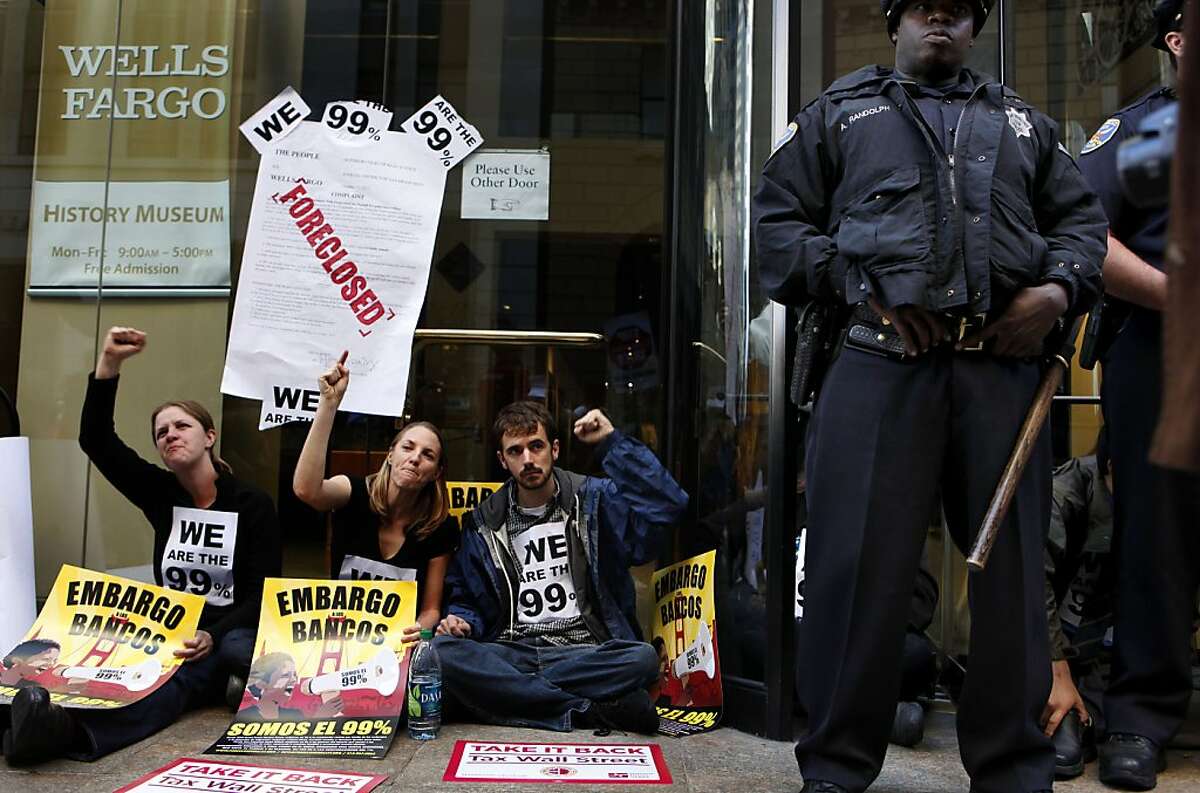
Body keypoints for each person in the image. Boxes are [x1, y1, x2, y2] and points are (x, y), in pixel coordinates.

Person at [751, 0, 1107, 790]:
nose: (939, 20)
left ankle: (1014, 767)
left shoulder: (1025, 126)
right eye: (923, 8)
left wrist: (1055, 293)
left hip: (1001, 372)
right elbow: (777, 229)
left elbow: (1085, 229)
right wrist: (857, 281)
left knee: (1011, 580)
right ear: (895, 22)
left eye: (956, 10)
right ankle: (836, 767)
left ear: (975, 27)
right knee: (856, 572)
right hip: (879, 365)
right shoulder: (840, 116)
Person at [2, 326, 282, 766]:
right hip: (164, 625)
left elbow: (263, 593)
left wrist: (213, 633)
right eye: (161, 432)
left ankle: (70, 731)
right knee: (97, 658)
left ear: (209, 436)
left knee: (175, 682)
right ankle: (24, 717)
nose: (170, 434)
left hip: (222, 632)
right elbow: (97, 441)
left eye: (182, 426)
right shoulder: (160, 493)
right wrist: (108, 365)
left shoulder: (252, 504)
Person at [1076, 2, 1200, 788]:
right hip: (1160, 348)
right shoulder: (1146, 130)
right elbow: (1085, 235)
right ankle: (1142, 715)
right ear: (1178, 42)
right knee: (1155, 539)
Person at [434, 401, 688, 734]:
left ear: (554, 449)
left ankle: (508, 696)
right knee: (441, 653)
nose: (528, 459)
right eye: (516, 451)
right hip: (513, 651)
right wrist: (461, 621)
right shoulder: (483, 521)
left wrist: (611, 443)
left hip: (586, 653)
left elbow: (669, 505)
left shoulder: (595, 501)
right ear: (502, 460)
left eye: (536, 446)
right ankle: (588, 709)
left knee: (642, 660)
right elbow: (467, 596)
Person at [292, 351, 459, 643]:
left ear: (436, 472)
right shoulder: (353, 493)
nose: (415, 458)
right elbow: (307, 489)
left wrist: (418, 631)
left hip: (395, 645)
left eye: (427, 455)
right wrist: (329, 405)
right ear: (391, 454)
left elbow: (431, 609)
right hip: (336, 636)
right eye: (407, 448)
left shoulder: (441, 528)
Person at [1040, 430, 1114, 780]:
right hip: (1058, 645)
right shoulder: (1065, 492)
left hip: (1105, 648)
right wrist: (1057, 671)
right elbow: (1033, 586)